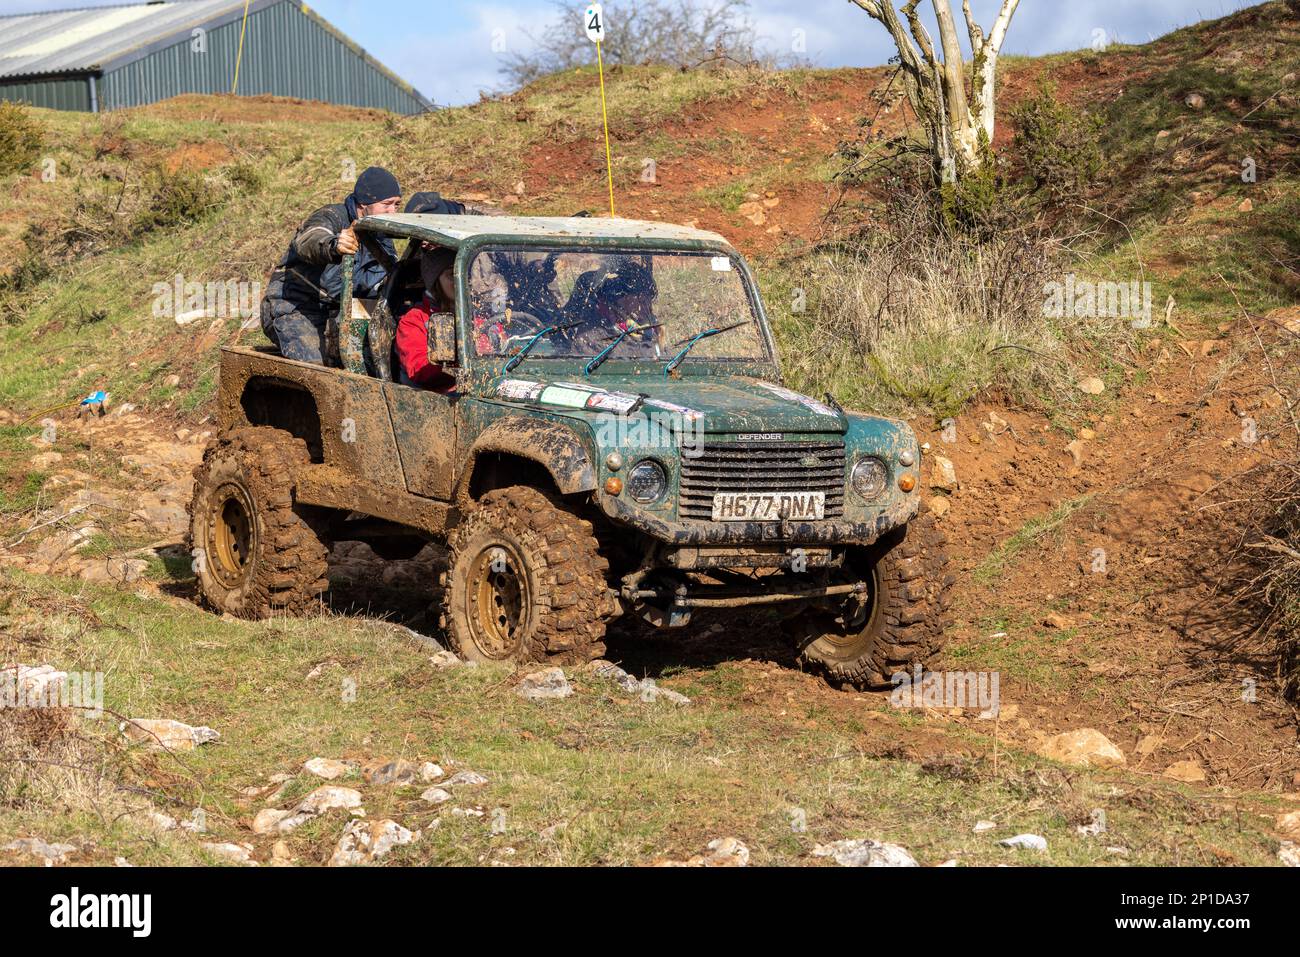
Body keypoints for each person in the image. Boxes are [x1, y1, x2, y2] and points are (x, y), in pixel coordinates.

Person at [259, 166, 401, 365]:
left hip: (341, 313)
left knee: (380, 361)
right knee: (316, 369)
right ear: (363, 204)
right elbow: (309, 239)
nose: (393, 211)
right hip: (295, 306)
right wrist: (334, 245)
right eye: (387, 204)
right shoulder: (332, 216)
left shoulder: (381, 233)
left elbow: (382, 279)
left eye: (397, 204)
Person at [395, 246, 458, 391]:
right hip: (436, 398)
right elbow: (418, 370)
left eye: (465, 274)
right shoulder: (414, 320)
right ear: (436, 282)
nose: (460, 281)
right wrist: (454, 358)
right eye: (452, 274)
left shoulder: (477, 314)